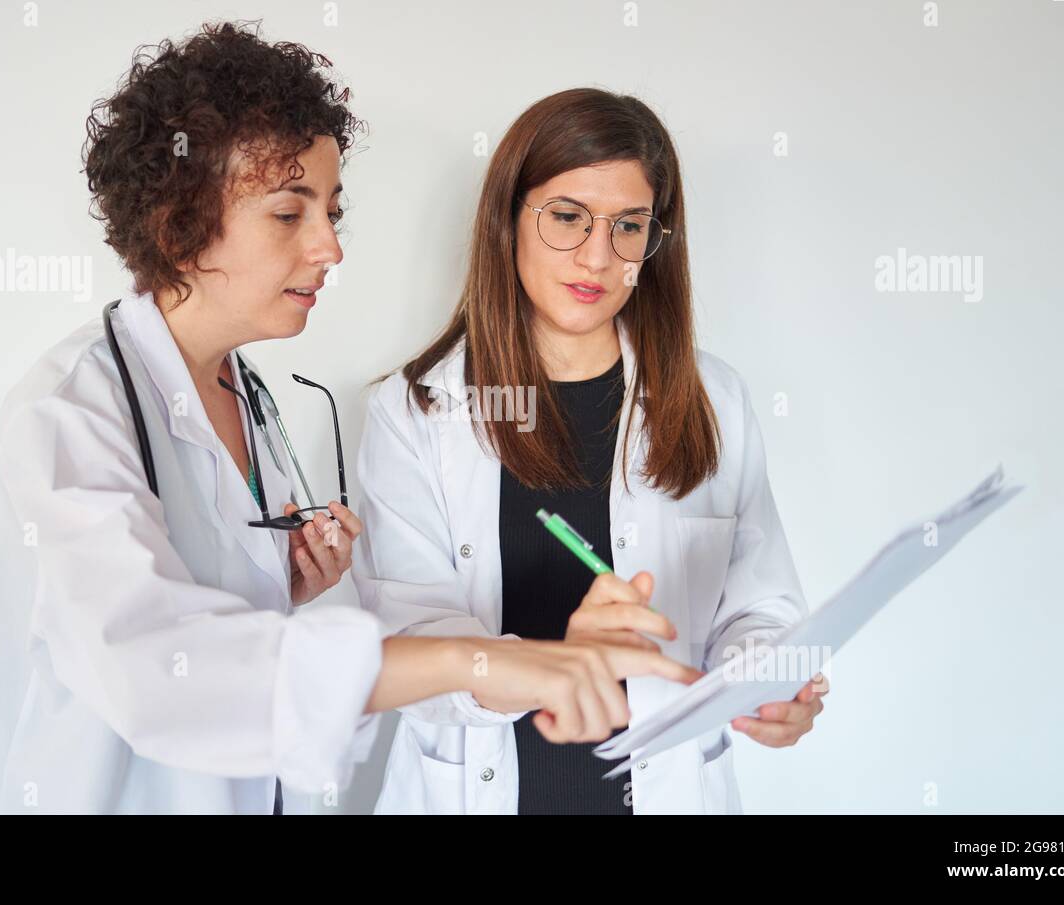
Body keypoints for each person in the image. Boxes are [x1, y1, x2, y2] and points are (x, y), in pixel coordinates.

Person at [0, 26, 699, 815]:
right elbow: (158, 664)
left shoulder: (246, 393)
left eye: (332, 211)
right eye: (287, 214)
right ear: (178, 225)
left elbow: (218, 612)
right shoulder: (69, 409)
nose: (331, 247)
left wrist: (287, 583)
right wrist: (482, 661)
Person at [353, 88, 829, 815]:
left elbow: (758, 604)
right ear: (507, 217)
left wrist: (763, 676)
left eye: (629, 226)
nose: (598, 257)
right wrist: (558, 661)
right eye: (568, 217)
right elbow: (408, 640)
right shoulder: (416, 410)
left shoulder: (713, 398)